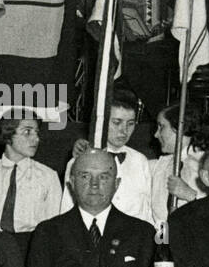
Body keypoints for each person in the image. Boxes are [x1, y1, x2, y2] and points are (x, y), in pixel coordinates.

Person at [26, 148, 154, 267]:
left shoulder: (142, 233)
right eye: (85, 176)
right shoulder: (48, 232)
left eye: (104, 177)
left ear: (117, 184)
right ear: (72, 183)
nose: (94, 185)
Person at [60, 89, 153, 224]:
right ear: (102, 122)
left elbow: (147, 210)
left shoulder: (140, 161)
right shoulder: (81, 160)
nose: (124, 130)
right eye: (117, 122)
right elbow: (67, 210)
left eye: (130, 124)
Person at [0, 110, 62, 258]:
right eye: (27, 132)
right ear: (8, 135)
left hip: (32, 248)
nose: (36, 139)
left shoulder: (47, 176)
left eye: (37, 133)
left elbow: (53, 227)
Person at [148, 104, 204, 230]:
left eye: (161, 126)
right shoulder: (162, 164)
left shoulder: (208, 165)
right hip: (162, 239)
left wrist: (191, 196)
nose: (156, 134)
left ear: (179, 128)